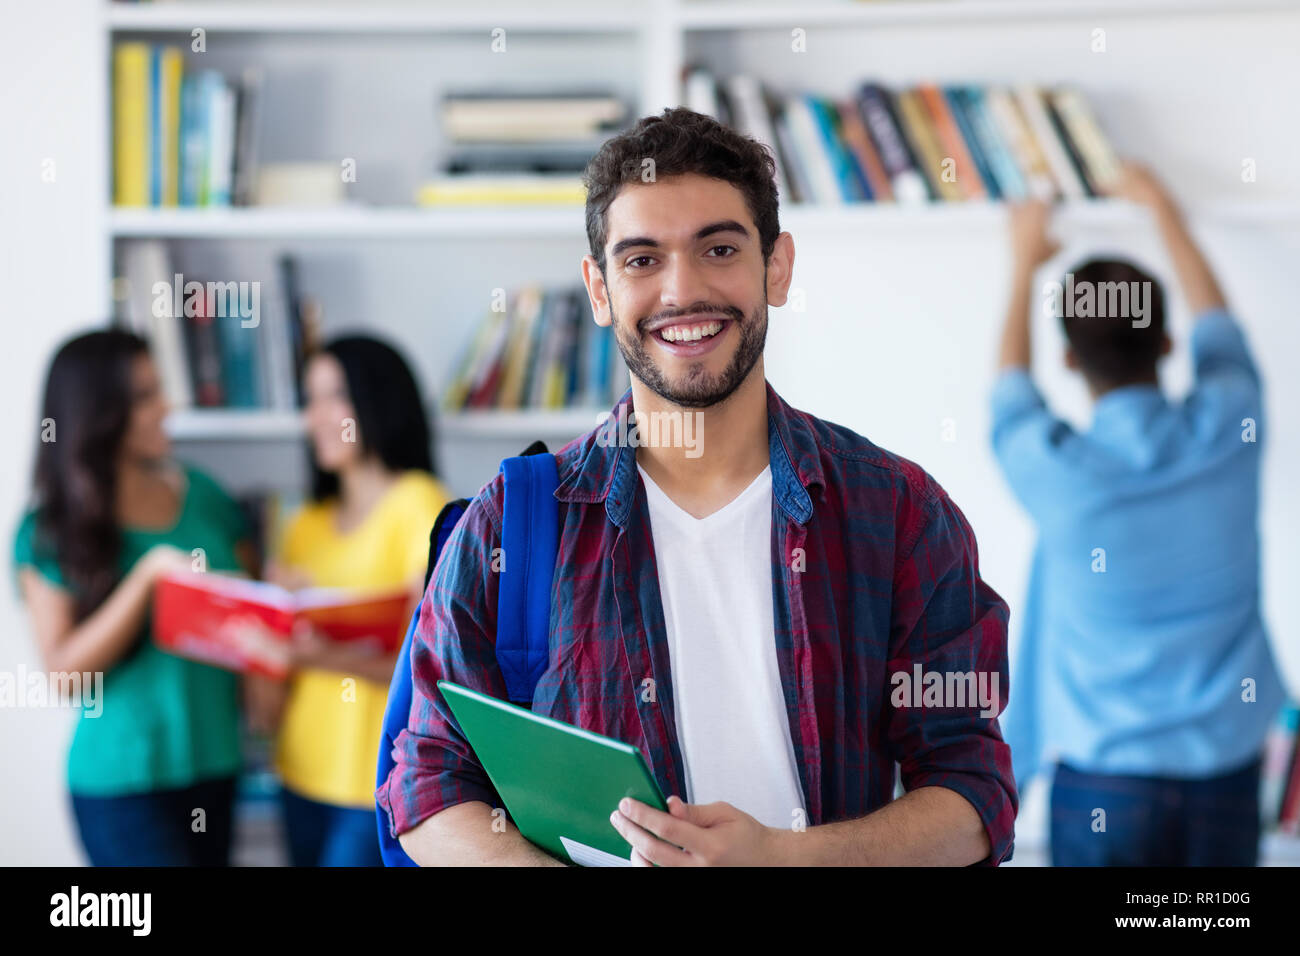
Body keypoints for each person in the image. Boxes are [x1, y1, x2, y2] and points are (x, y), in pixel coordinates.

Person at [381, 107, 1017, 867]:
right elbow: (425, 787)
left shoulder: (901, 513)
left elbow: (974, 796)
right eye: (642, 259)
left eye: (718, 248)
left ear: (776, 268)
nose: (683, 291)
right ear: (599, 288)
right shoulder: (509, 524)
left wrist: (782, 858)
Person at [991, 165, 1287, 866]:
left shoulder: (1056, 473)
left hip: (1104, 784)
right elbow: (1220, 330)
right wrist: (1162, 208)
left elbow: (1009, 394)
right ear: (1167, 343)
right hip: (1224, 772)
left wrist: (1023, 266)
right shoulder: (1232, 429)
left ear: (1067, 357)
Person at [13, 329, 256, 866]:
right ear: (99, 412)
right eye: (144, 396)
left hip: (216, 766)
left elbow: (247, 614)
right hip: (121, 783)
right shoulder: (48, 530)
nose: (165, 407)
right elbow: (65, 675)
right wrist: (147, 579)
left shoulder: (207, 497)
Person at [252, 335, 451, 867]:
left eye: (333, 396)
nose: (315, 416)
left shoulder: (420, 506)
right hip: (296, 771)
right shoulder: (302, 526)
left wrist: (309, 654)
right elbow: (274, 681)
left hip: (375, 782)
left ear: (375, 400)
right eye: (309, 399)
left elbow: (424, 670)